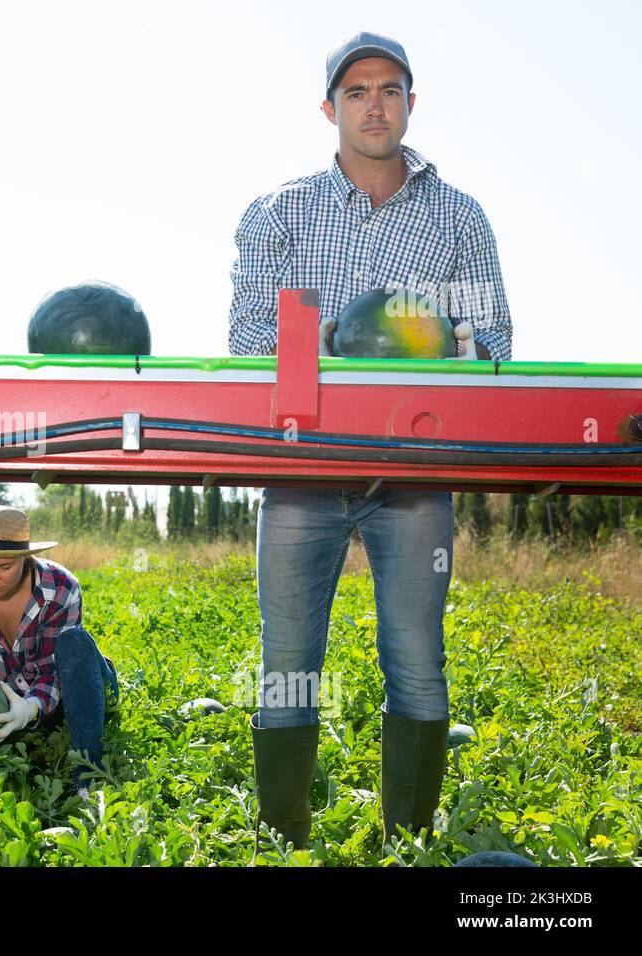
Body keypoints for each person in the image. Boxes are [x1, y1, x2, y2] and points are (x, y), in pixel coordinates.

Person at [227, 33, 513, 852]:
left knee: (418, 657)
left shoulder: (458, 216)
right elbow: (251, 338)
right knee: (286, 657)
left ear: (411, 103)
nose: (375, 104)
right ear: (331, 110)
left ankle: (409, 842)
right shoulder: (280, 211)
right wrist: (349, 340)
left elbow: (492, 339)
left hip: (414, 474)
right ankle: (283, 839)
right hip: (302, 471)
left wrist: (417, 341)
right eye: (357, 92)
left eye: (390, 89)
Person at [0, 505, 118, 795]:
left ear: (25, 558)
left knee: (76, 642)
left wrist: (30, 708)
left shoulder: (60, 587)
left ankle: (86, 776)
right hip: (5, 706)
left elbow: (53, 671)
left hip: (76, 694)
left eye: (4, 567)